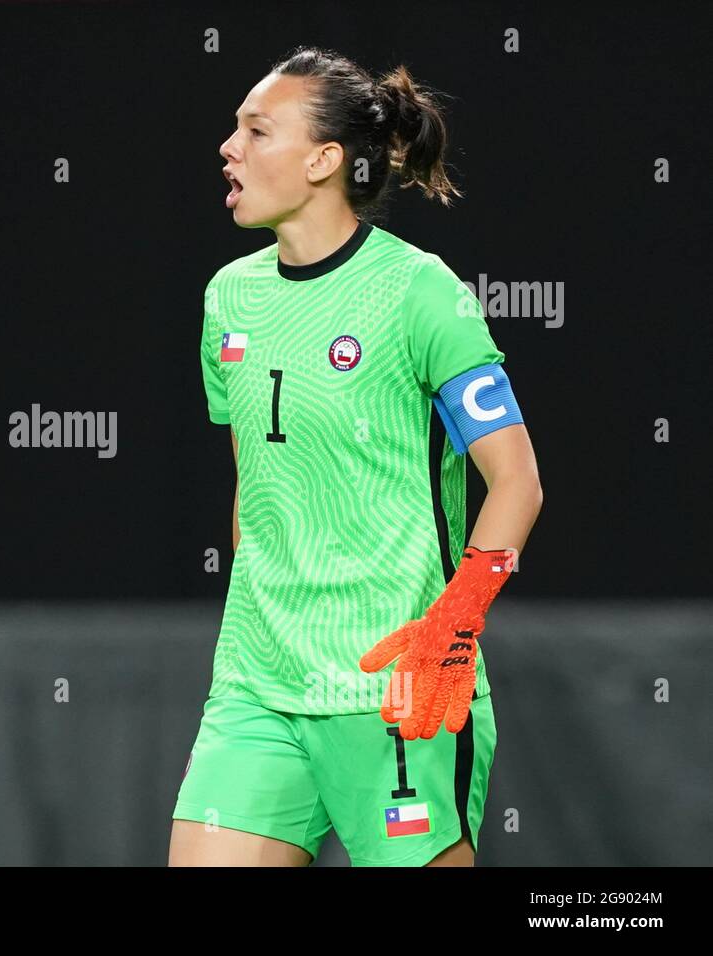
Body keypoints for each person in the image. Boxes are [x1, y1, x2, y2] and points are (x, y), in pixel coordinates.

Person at [169, 47, 543, 867]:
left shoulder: (422, 292)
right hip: (256, 687)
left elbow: (517, 480)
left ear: (324, 160)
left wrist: (458, 620)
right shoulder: (228, 296)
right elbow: (254, 483)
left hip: (397, 688)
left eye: (256, 130)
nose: (228, 148)